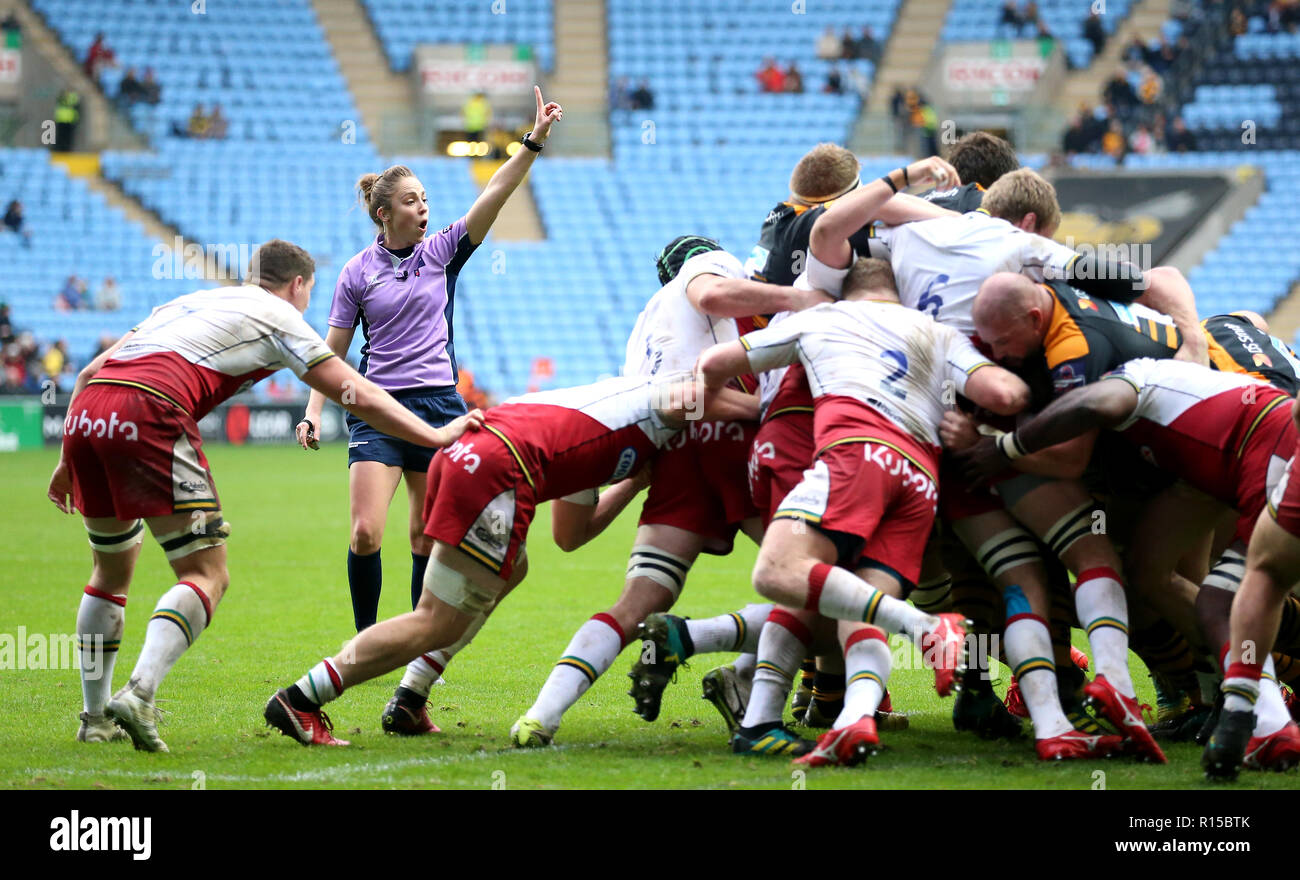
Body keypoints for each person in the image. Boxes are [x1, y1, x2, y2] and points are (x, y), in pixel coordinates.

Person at [46, 239, 483, 751]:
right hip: (153, 409)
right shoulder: (279, 315)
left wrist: (64, 461)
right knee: (206, 574)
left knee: (109, 571)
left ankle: (94, 718)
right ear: (297, 285)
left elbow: (85, 373)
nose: (306, 306)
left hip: (90, 413)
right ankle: (140, 694)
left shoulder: (188, 302)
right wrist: (432, 435)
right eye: (308, 294)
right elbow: (355, 390)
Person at [265, 372, 752, 746]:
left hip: (477, 455)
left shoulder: (605, 418)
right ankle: (302, 697)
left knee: (511, 570)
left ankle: (410, 697)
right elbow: (683, 396)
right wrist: (762, 407)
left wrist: (631, 481)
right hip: (498, 471)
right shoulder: (656, 402)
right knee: (434, 620)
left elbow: (570, 534)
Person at [695, 255, 1046, 765]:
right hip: (921, 481)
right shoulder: (937, 331)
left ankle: (927, 629)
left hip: (855, 455)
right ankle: (851, 720)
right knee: (857, 608)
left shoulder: (823, 317)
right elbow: (1005, 393)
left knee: (776, 571)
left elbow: (712, 366)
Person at [295, 87, 561, 643]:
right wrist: (313, 410)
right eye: (413, 201)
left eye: (426, 199)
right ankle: (366, 642)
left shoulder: (442, 252)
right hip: (376, 407)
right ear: (384, 212)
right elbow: (331, 353)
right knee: (366, 532)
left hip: (440, 405)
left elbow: (496, 190)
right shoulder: (354, 272)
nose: (425, 208)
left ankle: (410, 649)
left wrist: (532, 141)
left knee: (422, 534)